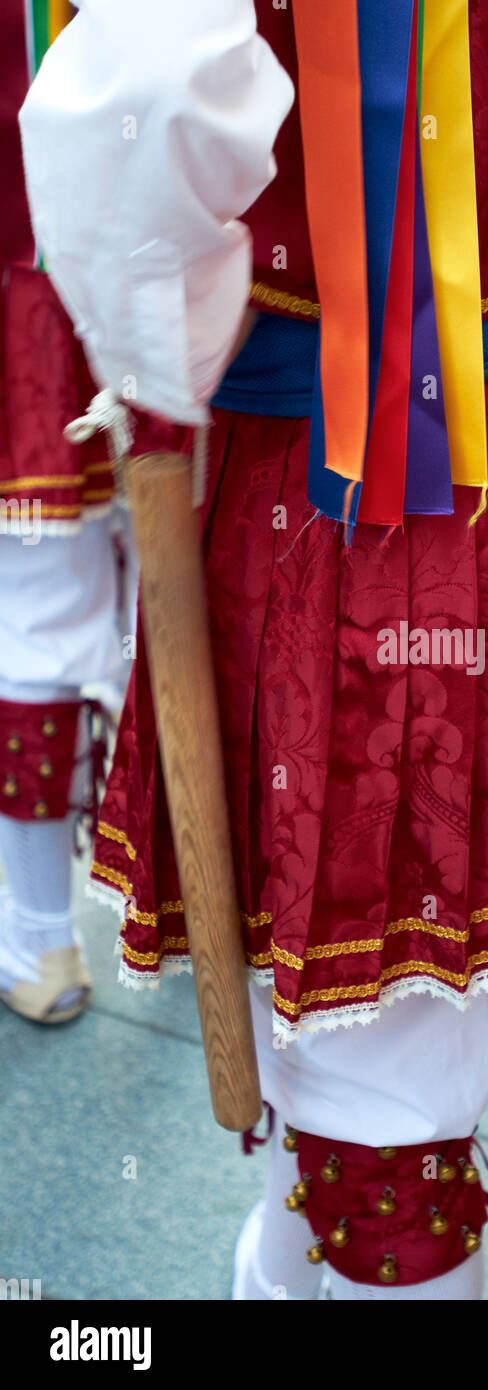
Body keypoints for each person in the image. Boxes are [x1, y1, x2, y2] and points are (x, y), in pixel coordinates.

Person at [19, 0, 488, 1298]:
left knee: (373, 1000)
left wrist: (167, 353)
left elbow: (145, 105)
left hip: (345, 440)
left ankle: (302, 1259)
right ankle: (282, 1256)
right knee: (357, 982)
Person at [0, 0, 139, 1023]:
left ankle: (42, 929)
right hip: (73, 308)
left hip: (61, 311)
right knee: (49, 627)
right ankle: (43, 927)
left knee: (42, 631)